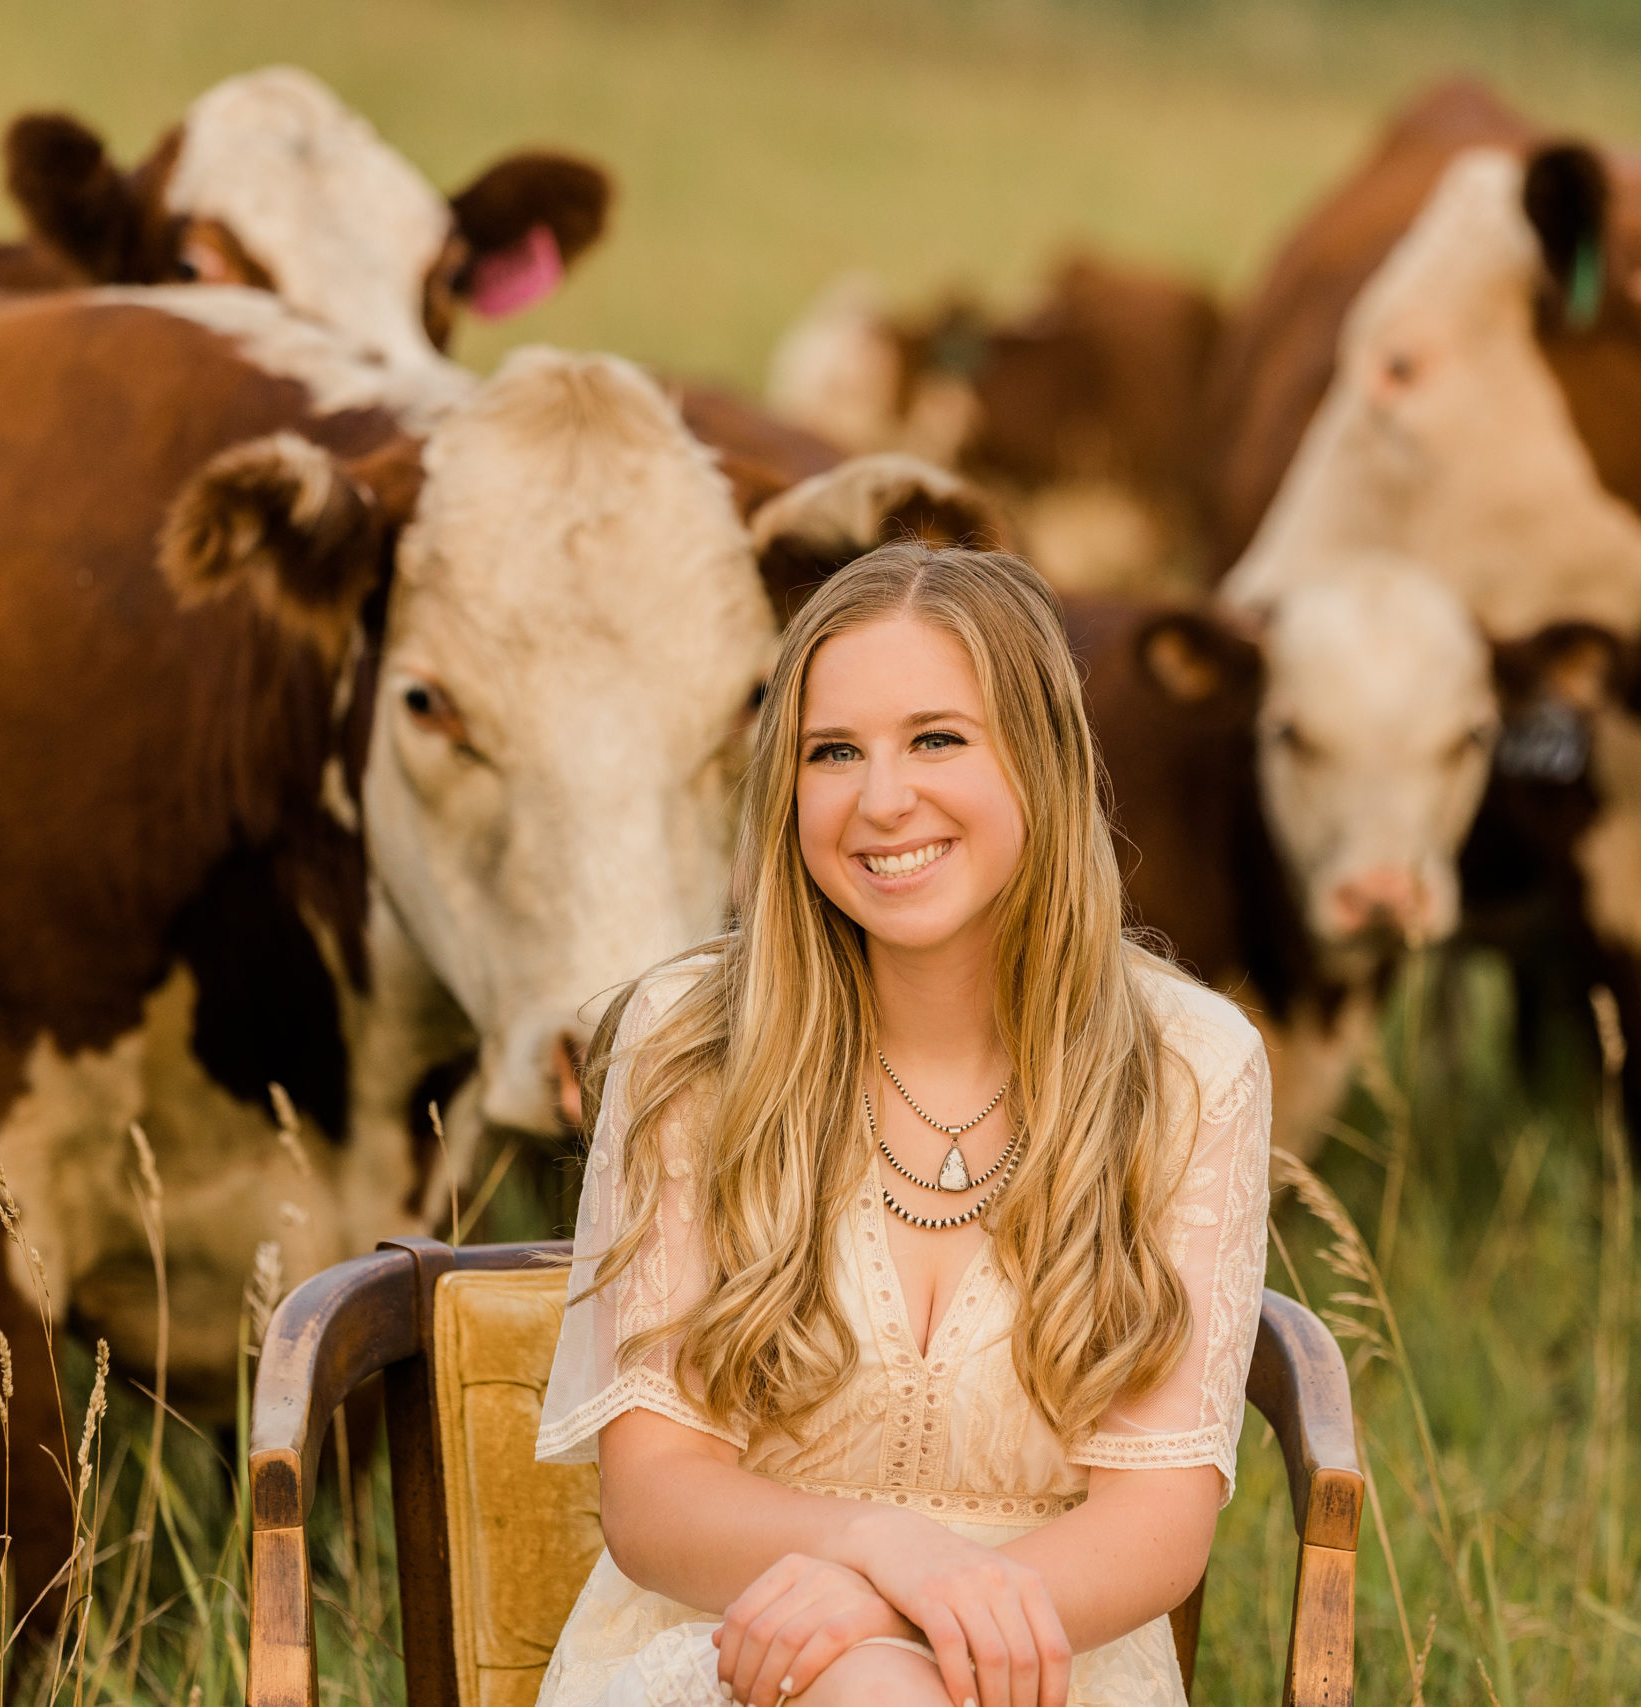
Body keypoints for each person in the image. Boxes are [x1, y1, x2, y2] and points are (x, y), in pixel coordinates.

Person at [534, 542, 1272, 1707]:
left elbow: (1157, 1517)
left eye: (936, 738)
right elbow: (655, 1495)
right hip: (735, 1642)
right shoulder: (691, 1044)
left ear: (1038, 757)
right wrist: (891, 1552)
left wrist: (893, 1611)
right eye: (834, 753)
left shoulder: (1189, 1066)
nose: (882, 801)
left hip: (1052, 1656)